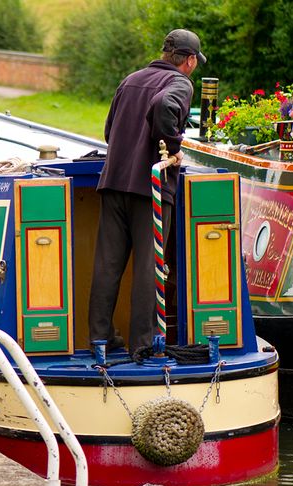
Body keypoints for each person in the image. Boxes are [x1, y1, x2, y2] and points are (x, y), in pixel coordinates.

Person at [88, 29, 203, 355]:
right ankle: (143, 346)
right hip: (148, 190)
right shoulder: (180, 84)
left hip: (113, 183)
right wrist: (173, 148)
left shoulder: (131, 79)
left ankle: (100, 339)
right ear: (190, 60)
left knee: (107, 267)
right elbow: (165, 105)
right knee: (148, 268)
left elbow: (110, 131)